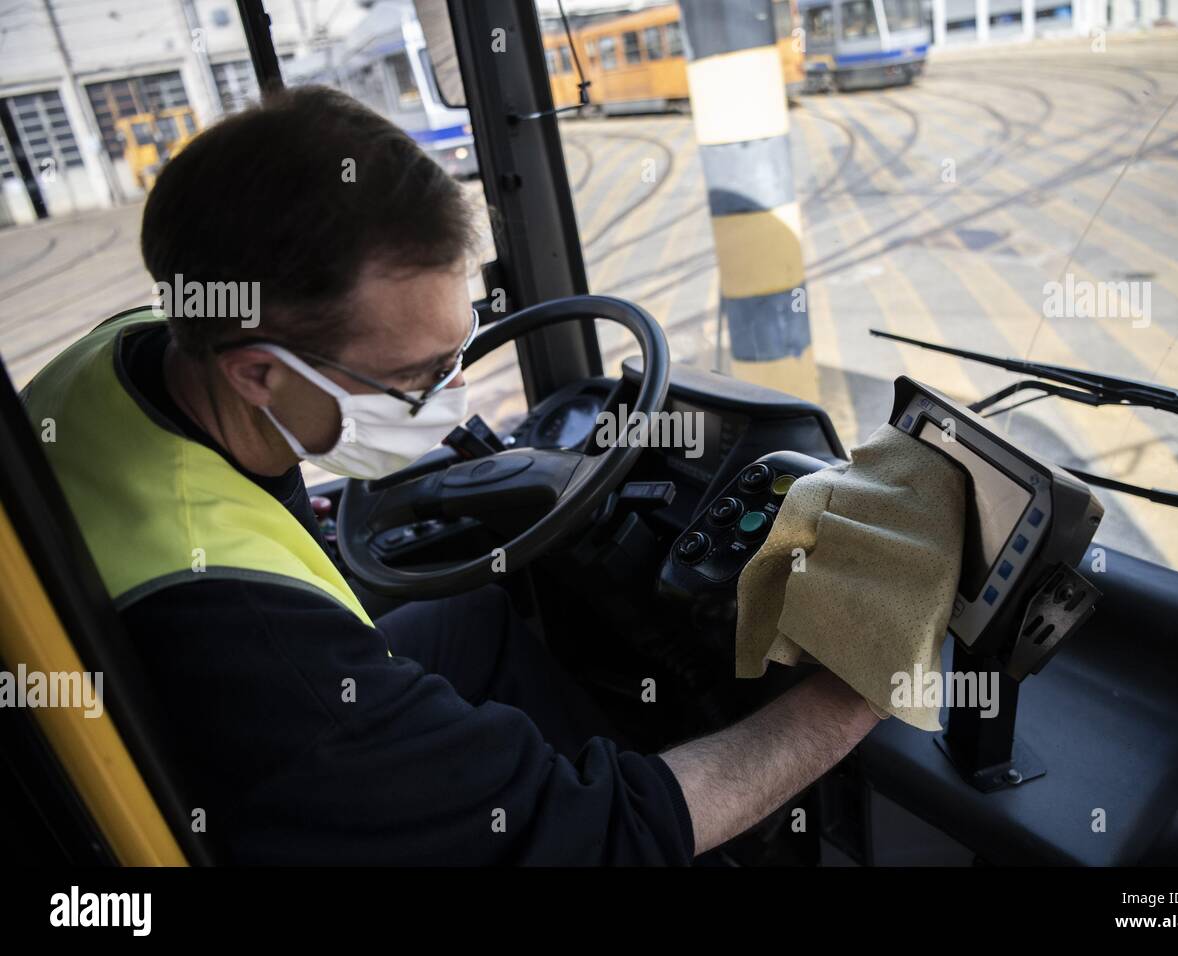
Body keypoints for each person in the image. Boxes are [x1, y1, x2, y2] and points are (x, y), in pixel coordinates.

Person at [23, 86, 878, 865]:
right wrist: (856, 694)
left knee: (479, 617)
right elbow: (612, 833)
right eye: (416, 378)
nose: (454, 398)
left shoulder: (131, 346)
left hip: (200, 728)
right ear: (258, 374)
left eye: (459, 353)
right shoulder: (258, 644)